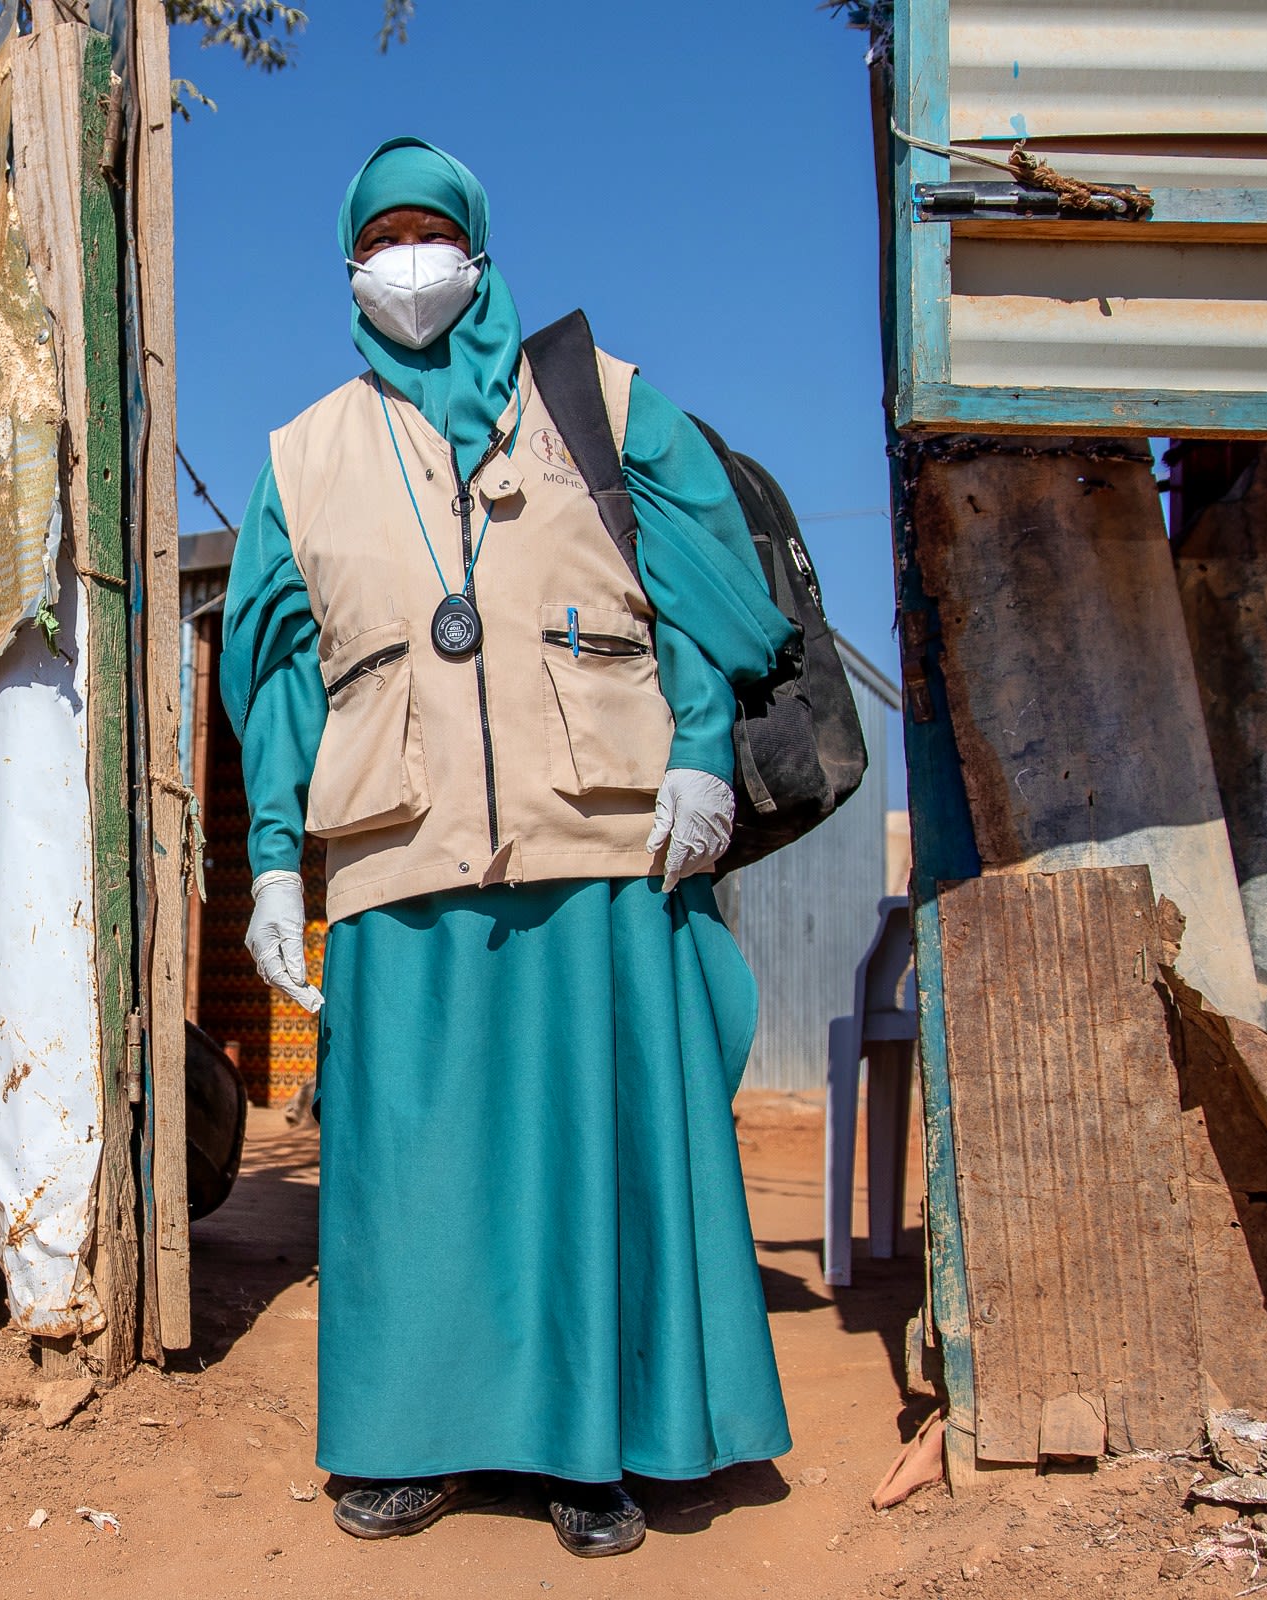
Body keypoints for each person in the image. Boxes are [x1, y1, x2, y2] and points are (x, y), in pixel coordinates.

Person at [220, 136, 798, 1557]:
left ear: (479, 249)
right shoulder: (303, 458)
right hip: (400, 857)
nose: (406, 263)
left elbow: (700, 595)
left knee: (580, 1158)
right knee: (409, 1172)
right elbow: (281, 677)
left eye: (431, 233)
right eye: (380, 239)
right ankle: (404, 1443)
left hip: (596, 836)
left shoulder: (601, 405)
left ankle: (585, 1451)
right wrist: (279, 858)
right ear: (350, 268)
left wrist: (703, 761)